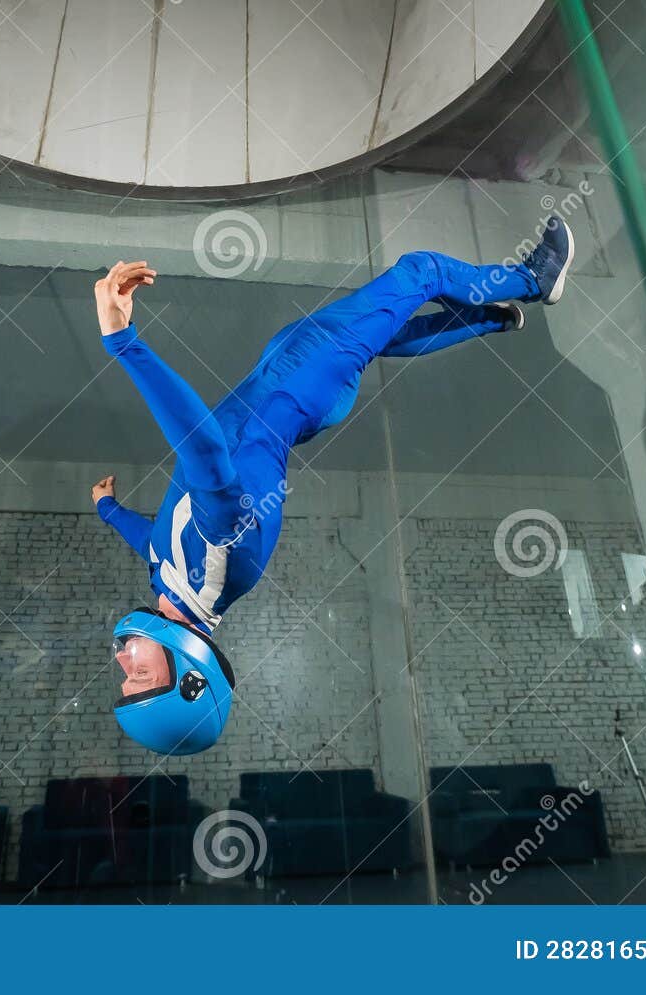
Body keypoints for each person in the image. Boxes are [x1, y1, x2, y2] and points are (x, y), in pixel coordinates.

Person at [99, 217, 575, 755]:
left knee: (374, 335)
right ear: (189, 675)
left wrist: (108, 509)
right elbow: (204, 450)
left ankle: (493, 319)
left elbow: (154, 540)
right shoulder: (223, 555)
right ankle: (537, 280)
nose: (122, 661)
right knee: (420, 271)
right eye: (138, 677)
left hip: (279, 379)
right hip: (299, 390)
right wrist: (123, 343)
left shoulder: (173, 586)